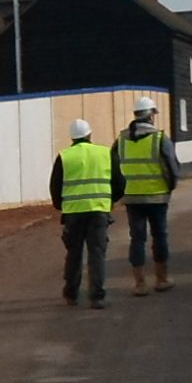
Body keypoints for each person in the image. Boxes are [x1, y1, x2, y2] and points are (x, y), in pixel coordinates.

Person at [48, 118, 127, 308]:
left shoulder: (65, 156)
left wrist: (61, 205)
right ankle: (97, 296)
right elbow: (120, 183)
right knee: (97, 253)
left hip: (73, 214)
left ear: (72, 137)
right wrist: (109, 200)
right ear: (89, 134)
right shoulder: (105, 153)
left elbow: (55, 186)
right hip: (98, 211)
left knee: (74, 254)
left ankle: (71, 294)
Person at [117, 96, 181, 296]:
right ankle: (161, 279)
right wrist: (170, 187)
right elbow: (172, 167)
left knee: (137, 238)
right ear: (151, 115)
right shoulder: (160, 138)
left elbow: (114, 167)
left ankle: (139, 283)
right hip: (157, 196)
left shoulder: (121, 139)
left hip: (132, 197)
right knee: (159, 235)